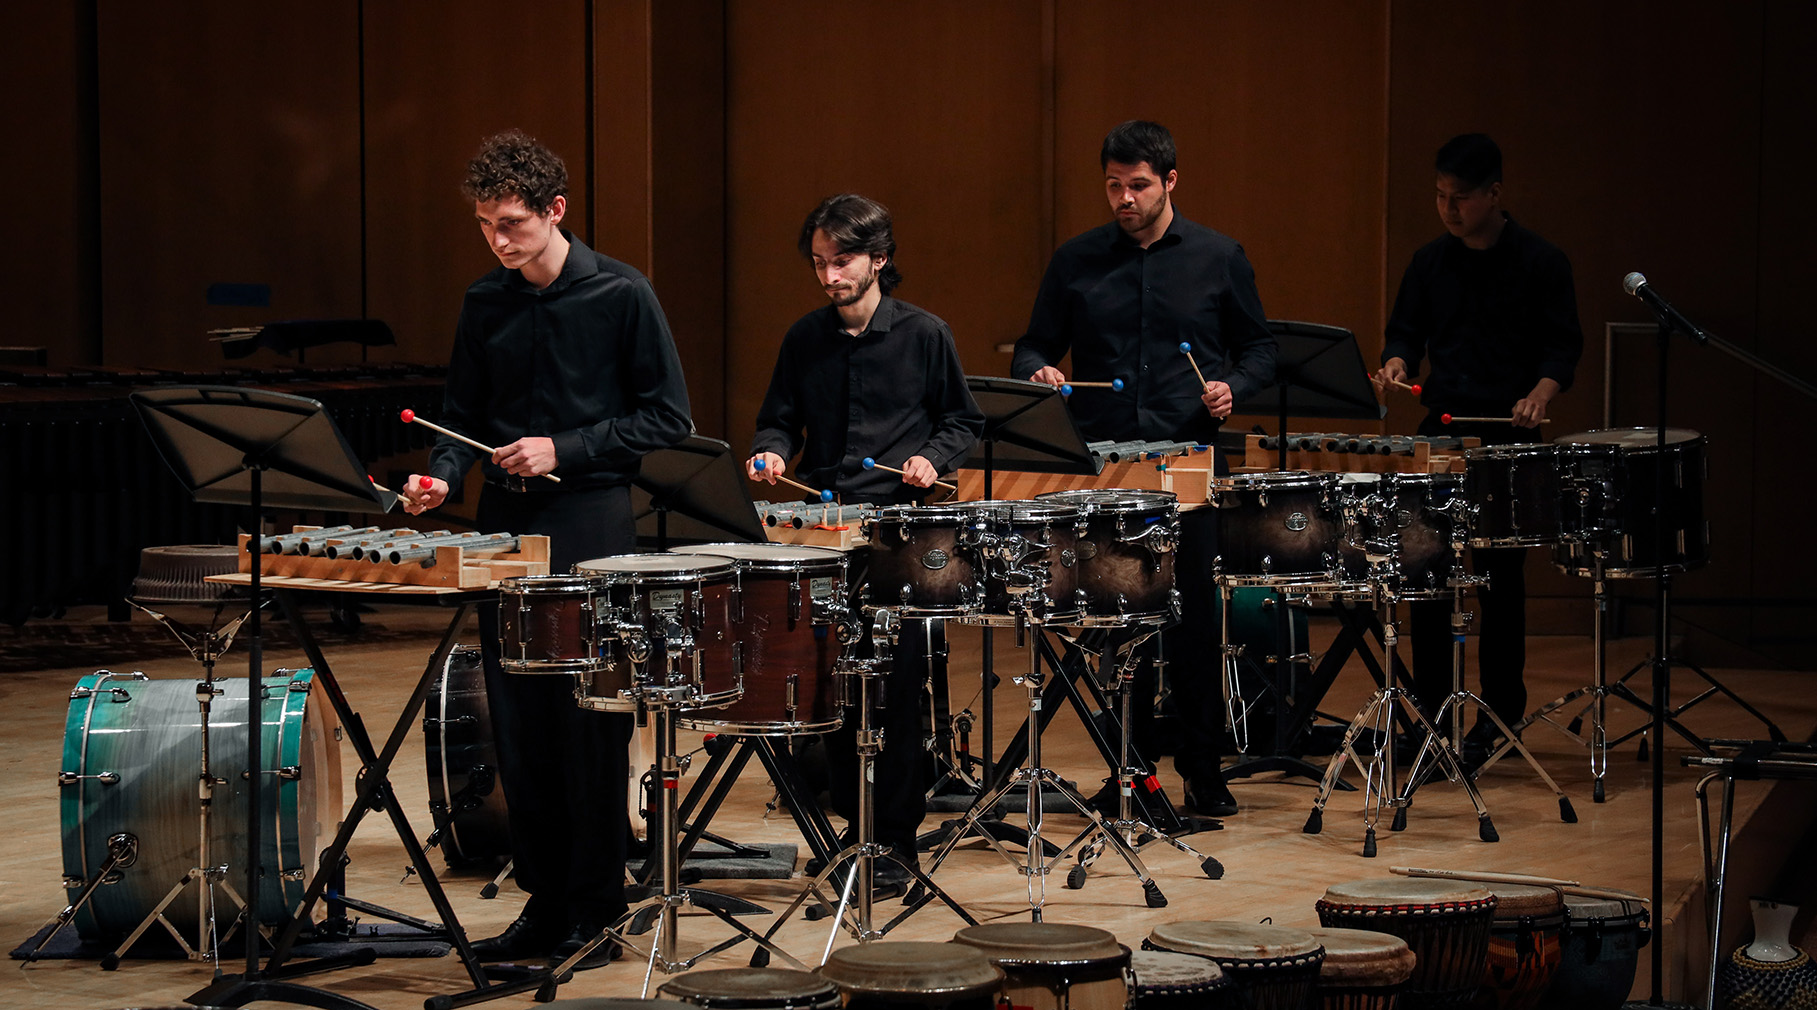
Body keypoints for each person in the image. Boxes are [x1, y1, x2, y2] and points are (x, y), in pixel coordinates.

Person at [402, 130, 693, 964]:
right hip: (503, 527)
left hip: (589, 523)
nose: (500, 239)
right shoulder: (484, 302)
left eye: (514, 223)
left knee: (586, 722)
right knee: (518, 720)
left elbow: (666, 418)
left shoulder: (622, 295)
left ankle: (598, 909)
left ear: (556, 211)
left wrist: (562, 447)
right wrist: (441, 474)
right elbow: (461, 413)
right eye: (487, 224)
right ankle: (544, 902)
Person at [1013, 120, 1276, 818]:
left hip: (1186, 465)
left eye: (1136, 186)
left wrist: (1231, 388)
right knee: (1113, 625)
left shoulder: (1219, 257)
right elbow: (1031, 345)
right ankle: (1128, 771)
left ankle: (1201, 770)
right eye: (1112, 186)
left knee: (1190, 623)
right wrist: (1039, 368)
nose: (1122, 199)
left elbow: (1260, 352)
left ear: (1169, 183)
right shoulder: (1076, 261)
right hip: (1104, 470)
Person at [748, 193, 984, 889]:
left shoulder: (924, 334)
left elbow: (961, 420)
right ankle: (855, 833)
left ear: (879, 259)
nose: (828, 277)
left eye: (842, 261)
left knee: (895, 690)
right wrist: (770, 452)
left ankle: (896, 844)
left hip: (898, 537)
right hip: (824, 533)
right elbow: (778, 419)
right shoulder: (803, 339)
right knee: (834, 691)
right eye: (819, 263)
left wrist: (931, 460)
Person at [1375, 133, 1583, 763]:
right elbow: (1405, 332)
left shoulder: (1542, 262)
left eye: (1460, 198)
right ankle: (1435, 714)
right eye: (1440, 196)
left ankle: (1500, 715)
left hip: (1508, 438)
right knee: (1427, 577)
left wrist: (1541, 393)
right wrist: (1395, 363)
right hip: (1440, 432)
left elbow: (1562, 347)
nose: (1448, 209)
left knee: (1502, 583)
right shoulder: (1429, 262)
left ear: (1495, 193)